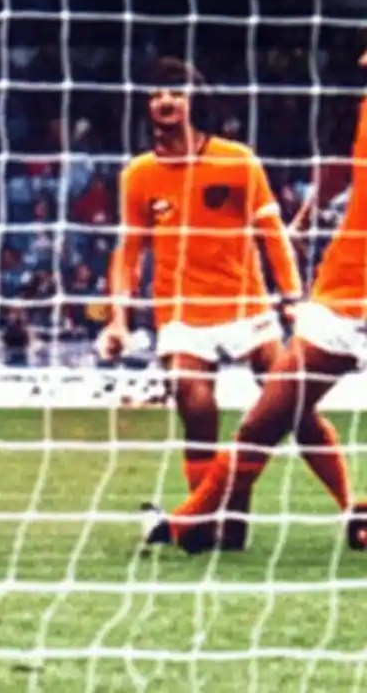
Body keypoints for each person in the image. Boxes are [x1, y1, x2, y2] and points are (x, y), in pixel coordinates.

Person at [95, 57, 347, 551]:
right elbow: (128, 252)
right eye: (156, 94)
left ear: (193, 101)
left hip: (248, 310)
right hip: (183, 315)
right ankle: (216, 522)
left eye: (175, 92)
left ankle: (351, 506)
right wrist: (118, 320)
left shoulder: (238, 160)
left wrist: (291, 299)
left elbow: (272, 235)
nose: (165, 101)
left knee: (293, 407)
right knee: (195, 406)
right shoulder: (139, 174)